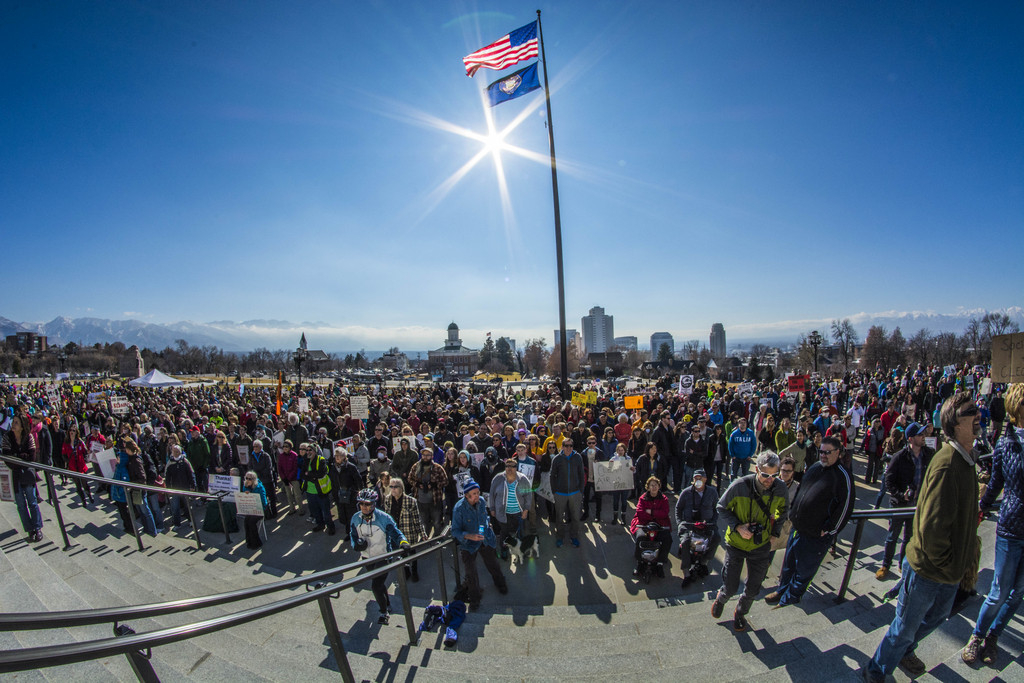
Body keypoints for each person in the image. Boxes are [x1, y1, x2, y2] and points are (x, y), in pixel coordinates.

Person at [863, 392, 981, 681]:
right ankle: (876, 671)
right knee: (903, 627)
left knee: (937, 617)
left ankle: (904, 651)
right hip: (929, 570)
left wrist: (964, 561)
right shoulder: (947, 464)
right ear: (954, 423)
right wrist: (950, 564)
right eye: (971, 412)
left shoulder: (965, 460)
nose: (979, 415)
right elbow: (931, 529)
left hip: (949, 571)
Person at [962, 382, 1024, 665]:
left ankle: (993, 637)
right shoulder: (1006, 442)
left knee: (1018, 592)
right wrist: (982, 507)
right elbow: (996, 481)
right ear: (1017, 409)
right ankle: (977, 635)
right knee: (999, 591)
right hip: (1012, 527)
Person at [765, 436, 853, 607]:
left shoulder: (843, 477)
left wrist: (829, 529)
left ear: (838, 452)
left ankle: (790, 599)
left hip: (816, 535)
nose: (823, 455)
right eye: (821, 452)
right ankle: (781, 590)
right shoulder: (814, 467)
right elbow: (801, 491)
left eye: (828, 452)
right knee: (788, 565)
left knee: (804, 570)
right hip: (797, 528)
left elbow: (845, 508)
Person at [711, 450, 788, 633]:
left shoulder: (780, 488)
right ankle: (722, 598)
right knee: (730, 586)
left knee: (753, 588)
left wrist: (775, 532)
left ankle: (740, 612)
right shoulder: (739, 486)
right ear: (756, 469)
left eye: (774, 475)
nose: (770, 479)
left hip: (761, 545)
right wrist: (738, 526)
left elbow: (783, 511)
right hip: (736, 544)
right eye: (765, 475)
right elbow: (721, 508)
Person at [876, 423, 934, 581]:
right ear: (910, 438)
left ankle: (902, 563)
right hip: (899, 504)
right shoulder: (900, 456)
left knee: (909, 536)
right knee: (892, 536)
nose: (923, 437)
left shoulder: (929, 454)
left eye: (923, 434)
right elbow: (889, 480)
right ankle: (885, 565)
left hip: (917, 504)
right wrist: (901, 495)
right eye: (920, 435)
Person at [349, 488, 409, 624]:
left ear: (374, 504)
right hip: (366, 558)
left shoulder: (383, 518)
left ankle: (383, 612)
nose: (364, 507)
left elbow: (396, 533)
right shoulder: (355, 518)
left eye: (367, 504)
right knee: (379, 584)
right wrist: (356, 546)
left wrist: (403, 542)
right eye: (362, 504)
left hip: (382, 556)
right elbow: (353, 536)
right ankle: (387, 602)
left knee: (375, 586)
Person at [451, 480, 507, 610]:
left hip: (484, 539)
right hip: (468, 544)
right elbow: (455, 530)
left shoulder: (481, 501)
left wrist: (484, 530)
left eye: (478, 492)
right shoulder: (459, 509)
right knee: (471, 573)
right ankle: (475, 599)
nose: (477, 496)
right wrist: (470, 536)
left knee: (493, 563)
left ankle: (500, 584)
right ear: (466, 495)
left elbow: (484, 518)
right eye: (474, 493)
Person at [2, 408, 43, 543]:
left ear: (22, 425)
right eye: (13, 422)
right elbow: (7, 459)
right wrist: (21, 458)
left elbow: (32, 457)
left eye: (16, 423)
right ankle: (29, 529)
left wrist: (16, 457)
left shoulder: (28, 437)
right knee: (20, 504)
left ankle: (37, 528)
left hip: (27, 474)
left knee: (32, 501)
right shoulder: (7, 437)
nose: (13, 425)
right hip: (15, 476)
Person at [676, 469, 720, 588]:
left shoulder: (712, 492)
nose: (698, 480)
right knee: (685, 541)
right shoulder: (686, 493)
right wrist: (680, 523)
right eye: (696, 478)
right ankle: (686, 571)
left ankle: (704, 561)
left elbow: (717, 509)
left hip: (707, 524)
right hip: (689, 524)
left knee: (716, 538)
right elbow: (678, 509)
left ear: (705, 479)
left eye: (700, 478)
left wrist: (713, 521)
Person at [385, 478, 426, 583]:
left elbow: (417, 519)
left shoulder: (411, 501)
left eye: (395, 487)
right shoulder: (387, 500)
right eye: (391, 487)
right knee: (401, 554)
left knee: (412, 553)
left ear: (401, 488)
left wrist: (422, 533)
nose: (393, 489)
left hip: (409, 531)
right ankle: (406, 570)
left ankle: (414, 571)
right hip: (396, 533)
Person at [630, 476, 672, 578]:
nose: (653, 487)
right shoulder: (642, 498)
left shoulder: (664, 499)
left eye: (655, 485)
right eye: (651, 485)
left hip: (660, 524)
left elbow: (665, 513)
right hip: (644, 523)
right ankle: (639, 562)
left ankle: (660, 563)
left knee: (667, 539)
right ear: (648, 487)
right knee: (640, 538)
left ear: (659, 487)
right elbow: (640, 512)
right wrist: (655, 515)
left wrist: (651, 512)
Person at [489, 459, 532, 556]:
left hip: (519, 513)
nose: (510, 468)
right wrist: (492, 508)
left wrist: (526, 510)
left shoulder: (523, 479)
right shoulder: (498, 478)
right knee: (504, 533)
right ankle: (504, 550)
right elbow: (491, 494)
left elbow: (528, 495)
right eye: (507, 466)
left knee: (520, 533)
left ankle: (522, 549)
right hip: (503, 513)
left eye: (512, 466)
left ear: (516, 468)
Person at [549, 438, 585, 548]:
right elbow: (552, 476)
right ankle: (560, 537)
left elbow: (581, 474)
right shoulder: (557, 459)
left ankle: (574, 536)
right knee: (559, 517)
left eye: (570, 445)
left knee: (575, 516)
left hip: (575, 493)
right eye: (566, 445)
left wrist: (580, 490)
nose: (568, 448)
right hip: (560, 493)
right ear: (562, 447)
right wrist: (555, 491)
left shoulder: (577, 457)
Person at [408, 447, 448, 538]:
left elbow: (445, 481)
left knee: (437, 522)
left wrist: (434, 485)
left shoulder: (438, 468)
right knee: (423, 522)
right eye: (424, 455)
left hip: (435, 500)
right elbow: (410, 479)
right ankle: (425, 540)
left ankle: (437, 540)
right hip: (420, 500)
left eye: (428, 455)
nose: (425, 457)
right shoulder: (416, 466)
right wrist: (417, 484)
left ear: (432, 456)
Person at [302, 442, 336, 535]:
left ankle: (331, 527)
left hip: (321, 490)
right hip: (309, 490)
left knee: (326, 511)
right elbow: (302, 474)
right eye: (307, 450)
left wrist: (309, 474)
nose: (308, 452)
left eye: (310, 450)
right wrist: (312, 476)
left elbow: (321, 473)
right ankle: (320, 524)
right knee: (315, 510)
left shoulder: (321, 460)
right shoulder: (305, 460)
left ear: (315, 451)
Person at [328, 446, 362, 527]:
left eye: (339, 455)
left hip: (350, 495)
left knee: (351, 514)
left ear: (344, 456)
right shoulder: (333, 468)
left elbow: (358, 480)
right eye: (336, 456)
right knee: (343, 515)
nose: (337, 457)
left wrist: (357, 492)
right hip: (339, 495)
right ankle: (348, 531)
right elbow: (332, 481)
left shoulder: (351, 467)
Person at [164, 444, 196, 528]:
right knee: (175, 507)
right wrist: (168, 488)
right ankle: (177, 524)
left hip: (185, 488)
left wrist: (193, 485)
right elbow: (167, 477)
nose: (176, 453)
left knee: (188, 506)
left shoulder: (185, 462)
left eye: (177, 451)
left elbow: (190, 474)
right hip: (175, 489)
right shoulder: (170, 463)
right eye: (174, 451)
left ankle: (191, 521)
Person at [240, 470, 268, 549]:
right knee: (246, 521)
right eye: (247, 478)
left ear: (254, 479)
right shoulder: (245, 486)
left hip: (259, 509)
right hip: (250, 509)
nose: (248, 480)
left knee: (252, 522)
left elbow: (264, 501)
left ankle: (256, 542)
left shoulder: (259, 487)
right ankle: (249, 540)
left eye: (250, 479)